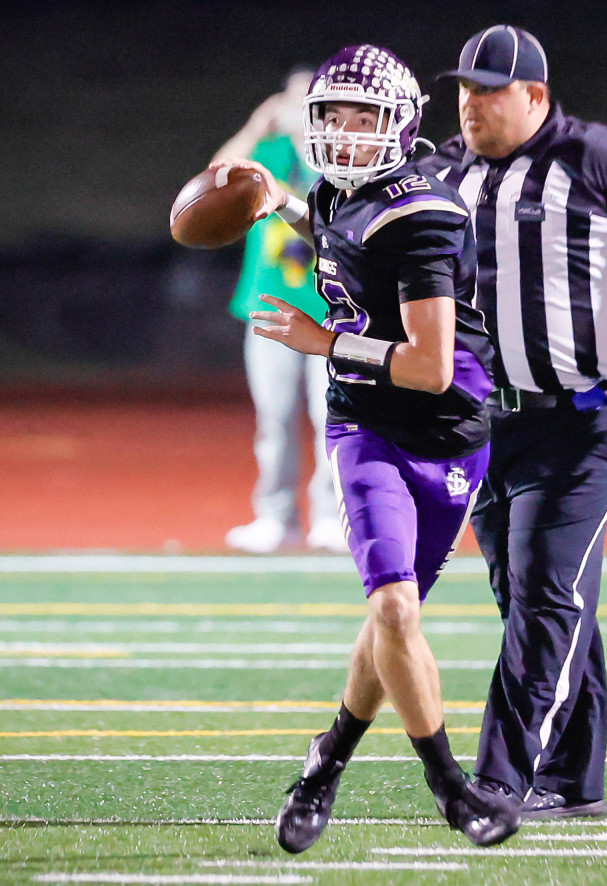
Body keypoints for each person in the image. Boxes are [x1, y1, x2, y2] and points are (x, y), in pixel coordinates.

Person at [212, 44, 521, 852]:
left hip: (448, 431)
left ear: (400, 127)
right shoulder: (344, 190)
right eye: (333, 119)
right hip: (367, 427)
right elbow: (334, 228)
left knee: (393, 621)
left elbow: (425, 366)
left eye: (363, 120)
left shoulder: (424, 215)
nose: (345, 136)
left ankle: (324, 764)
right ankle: (451, 788)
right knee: (392, 608)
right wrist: (278, 199)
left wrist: (324, 343)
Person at [425, 25, 607, 819]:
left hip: (590, 416)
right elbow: (372, 237)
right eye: (465, 88)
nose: (471, 103)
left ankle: (499, 780)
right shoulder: (447, 170)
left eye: (489, 90)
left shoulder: (606, 160)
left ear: (536, 97)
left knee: (545, 588)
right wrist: (280, 204)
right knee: (526, 590)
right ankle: (572, 780)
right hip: (489, 421)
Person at [210, 68, 345, 554]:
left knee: (331, 415)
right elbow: (217, 178)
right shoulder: (268, 155)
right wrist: (258, 123)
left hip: (330, 311)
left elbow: (332, 205)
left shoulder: (337, 162)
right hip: (269, 309)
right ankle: (276, 515)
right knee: (275, 416)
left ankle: (330, 517)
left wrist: (309, 138)